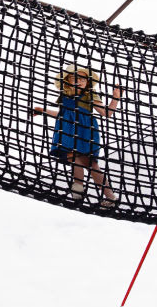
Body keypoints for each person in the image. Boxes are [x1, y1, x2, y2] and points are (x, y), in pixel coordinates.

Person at [31, 64, 122, 207]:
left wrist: (115, 98)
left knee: (91, 164)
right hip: (67, 130)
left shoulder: (89, 95)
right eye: (75, 78)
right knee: (71, 157)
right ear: (67, 80)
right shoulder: (65, 96)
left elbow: (106, 113)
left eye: (82, 79)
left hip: (85, 130)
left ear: (88, 82)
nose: (79, 81)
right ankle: (78, 191)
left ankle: (110, 197)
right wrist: (43, 111)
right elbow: (62, 115)